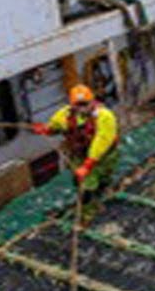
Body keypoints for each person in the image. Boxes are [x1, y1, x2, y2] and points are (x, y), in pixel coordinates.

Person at [32, 85, 119, 220]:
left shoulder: (105, 116)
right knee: (85, 186)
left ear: (92, 101)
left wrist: (88, 165)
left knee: (104, 177)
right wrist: (45, 130)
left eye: (85, 104)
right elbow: (54, 128)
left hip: (104, 156)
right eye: (78, 104)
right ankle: (88, 214)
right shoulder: (65, 115)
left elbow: (102, 141)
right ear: (72, 104)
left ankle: (102, 192)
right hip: (79, 155)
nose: (82, 107)